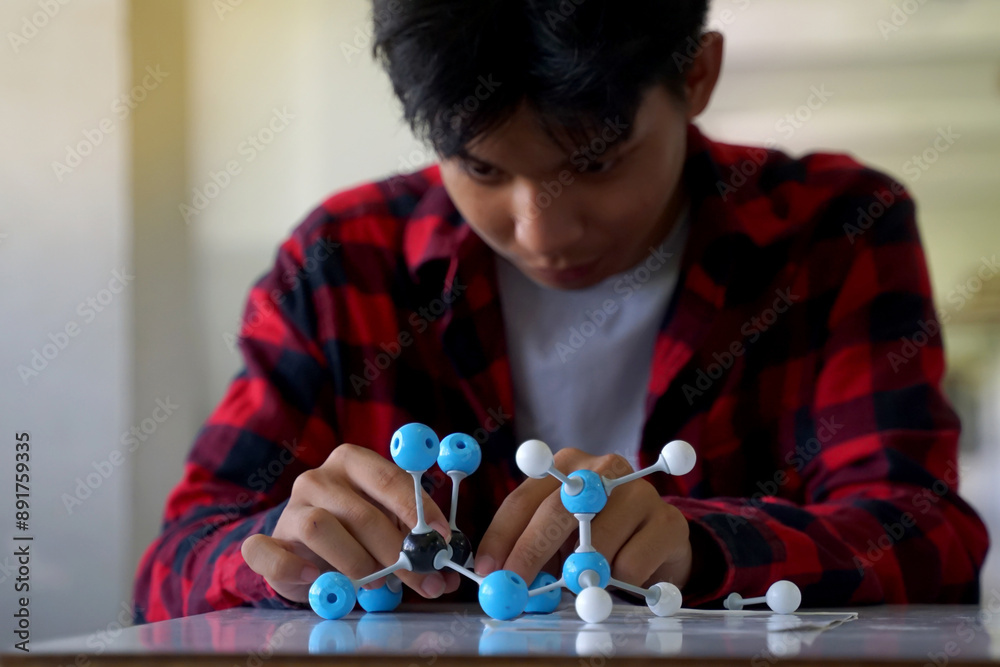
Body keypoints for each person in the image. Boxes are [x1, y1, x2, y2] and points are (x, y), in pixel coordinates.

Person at [133, 0, 989, 623]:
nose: (542, 231)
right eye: (483, 170)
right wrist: (278, 552)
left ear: (697, 76)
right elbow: (172, 563)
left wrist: (699, 546)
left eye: (598, 163)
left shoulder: (836, 232)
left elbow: (926, 536)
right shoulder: (340, 261)